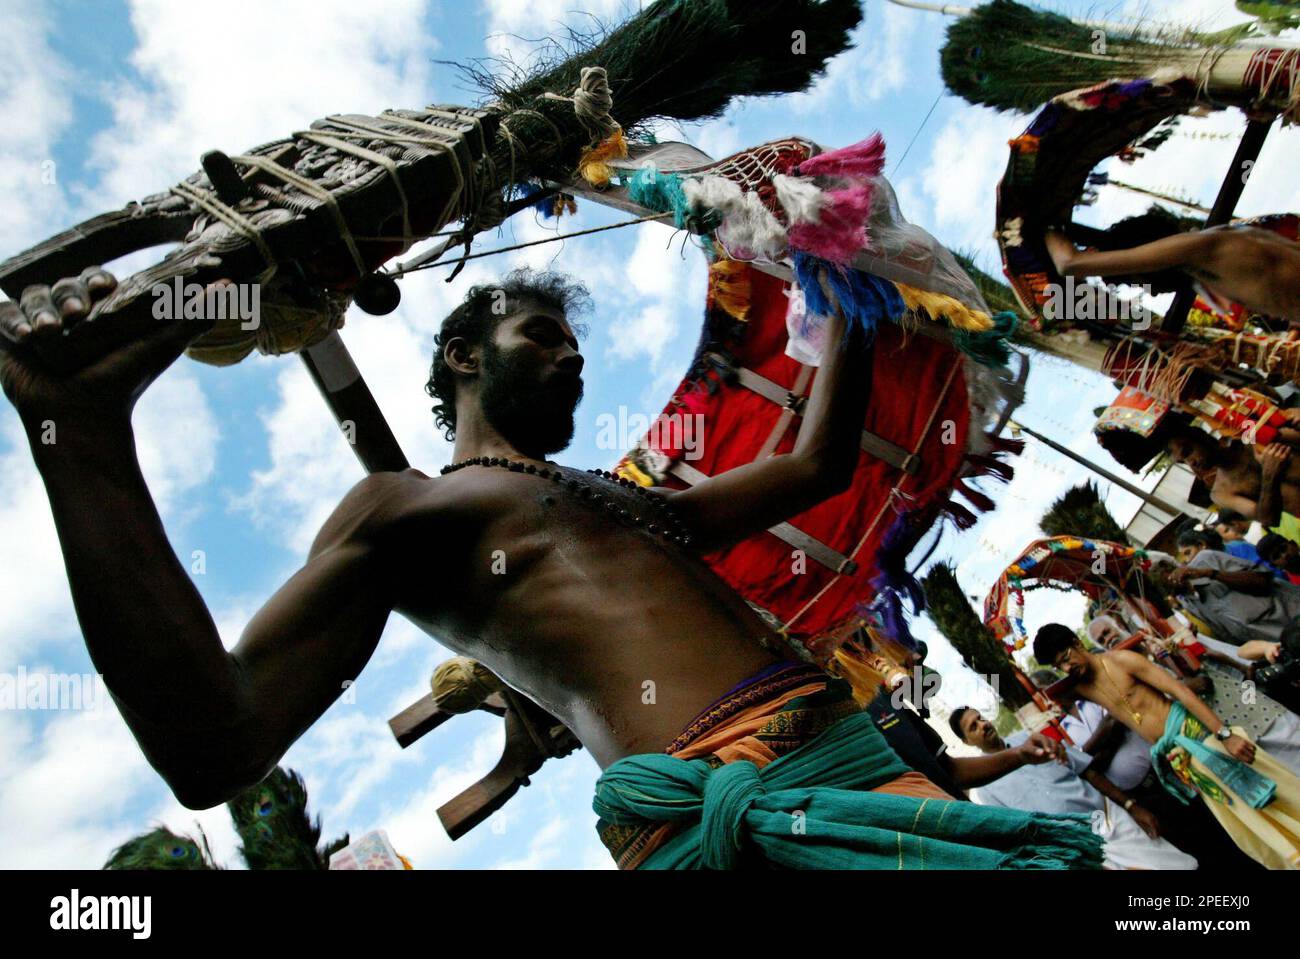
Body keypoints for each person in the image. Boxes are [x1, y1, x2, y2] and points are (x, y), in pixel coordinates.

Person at [0, 265, 1103, 871]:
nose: (571, 356)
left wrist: (848, 290)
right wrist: (83, 446)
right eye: (542, 336)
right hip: (754, 820)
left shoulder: (626, 502)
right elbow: (213, 739)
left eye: (575, 346)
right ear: (462, 357)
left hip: (855, 765)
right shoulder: (411, 507)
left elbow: (816, 463)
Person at [1034, 623, 1300, 869]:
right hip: (1179, 757)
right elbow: (1048, 697)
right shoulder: (1082, 688)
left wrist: (1225, 734)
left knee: (1267, 791)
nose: (1067, 667)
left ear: (1076, 642)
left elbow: (1181, 692)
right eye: (1060, 665)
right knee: (1242, 819)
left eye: (1066, 657)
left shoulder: (1122, 660)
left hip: (1198, 737)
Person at [951, 707, 1197, 869]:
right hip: (1081, 852)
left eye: (981, 718)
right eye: (973, 727)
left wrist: (1132, 807)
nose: (983, 725)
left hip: (1111, 820)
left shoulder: (1031, 739)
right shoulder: (984, 789)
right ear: (966, 741)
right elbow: (1022, 834)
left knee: (1178, 867)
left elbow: (1087, 770)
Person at [1043, 218, 1300, 324]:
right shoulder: (1217, 246)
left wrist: (1044, 225)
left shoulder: (1199, 249)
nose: (1151, 293)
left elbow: (1070, 264)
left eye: (1136, 279)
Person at [1161, 529, 1300, 644]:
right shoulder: (1187, 602)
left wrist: (1211, 573)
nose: (1187, 560)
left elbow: (1264, 579)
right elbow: (1228, 635)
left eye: (1188, 552)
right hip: (1285, 642)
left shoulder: (1210, 558)